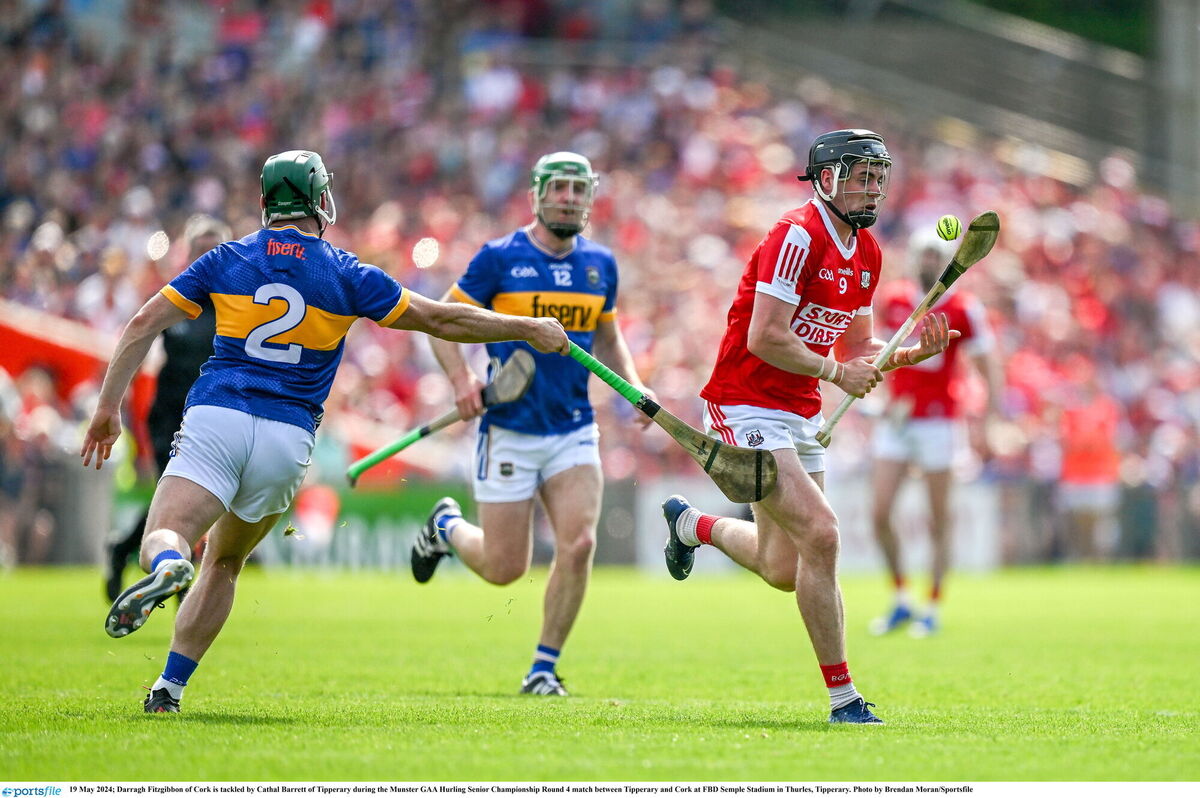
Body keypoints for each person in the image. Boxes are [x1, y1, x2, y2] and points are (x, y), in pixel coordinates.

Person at [82, 150, 570, 714]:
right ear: (318, 199)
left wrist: (107, 409)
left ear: (266, 202)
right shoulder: (347, 272)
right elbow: (442, 318)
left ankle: (168, 566)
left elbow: (142, 324)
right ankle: (168, 687)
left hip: (220, 414)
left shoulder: (227, 258)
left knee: (166, 534)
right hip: (287, 440)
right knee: (224, 562)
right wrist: (528, 327)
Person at [659, 130, 957, 724]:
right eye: (858, 174)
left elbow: (859, 347)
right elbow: (763, 336)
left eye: (877, 174)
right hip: (744, 401)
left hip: (799, 407)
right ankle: (845, 698)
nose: (871, 185)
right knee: (822, 533)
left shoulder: (866, 251)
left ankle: (692, 525)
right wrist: (834, 371)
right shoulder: (797, 234)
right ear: (824, 178)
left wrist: (903, 357)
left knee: (782, 567)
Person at [411, 151, 654, 697]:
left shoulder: (601, 265)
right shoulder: (499, 258)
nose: (569, 197)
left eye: (578, 188)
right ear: (537, 195)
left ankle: (543, 667)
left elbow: (608, 336)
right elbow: (440, 322)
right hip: (508, 428)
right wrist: (461, 381)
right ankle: (446, 527)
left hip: (572, 427)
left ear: (590, 197)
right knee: (503, 568)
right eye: (559, 187)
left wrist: (630, 386)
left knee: (580, 542)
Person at [867, 231, 1003, 638]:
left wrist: (989, 420)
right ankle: (901, 599)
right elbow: (873, 352)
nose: (928, 262)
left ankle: (932, 605)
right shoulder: (893, 299)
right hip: (899, 421)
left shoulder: (963, 307)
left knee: (938, 517)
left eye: (935, 256)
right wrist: (883, 396)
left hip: (941, 420)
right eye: (923, 255)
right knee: (879, 513)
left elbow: (988, 366)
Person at [103, 214, 231, 604]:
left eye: (214, 250)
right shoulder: (178, 297)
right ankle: (179, 586)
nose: (206, 256)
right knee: (177, 496)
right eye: (199, 250)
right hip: (169, 416)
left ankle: (124, 547)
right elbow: (139, 338)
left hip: (213, 418)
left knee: (187, 501)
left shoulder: (237, 304)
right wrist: (118, 401)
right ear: (188, 254)